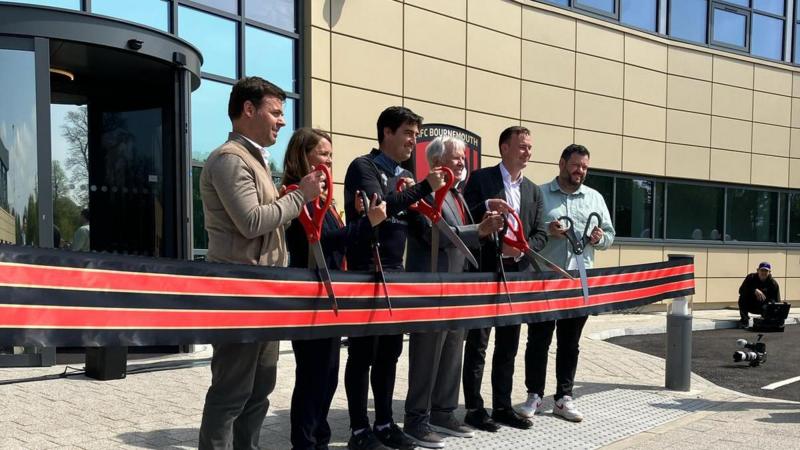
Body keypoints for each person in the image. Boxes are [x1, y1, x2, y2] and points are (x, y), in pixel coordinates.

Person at [198, 76, 325, 450]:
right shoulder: (229, 159)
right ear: (248, 110)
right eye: (276, 112)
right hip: (240, 292)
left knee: (259, 390)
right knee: (231, 392)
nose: (282, 121)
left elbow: (270, 220)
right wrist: (299, 196)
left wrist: (288, 202)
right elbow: (252, 221)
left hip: (263, 291)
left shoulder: (253, 159)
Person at [342, 106, 446, 450]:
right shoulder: (364, 167)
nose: (412, 142)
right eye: (408, 134)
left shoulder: (404, 174)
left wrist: (431, 219)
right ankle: (359, 431)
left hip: (396, 275)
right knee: (362, 355)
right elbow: (382, 206)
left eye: (416, 136)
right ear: (386, 132)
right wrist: (422, 188)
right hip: (366, 273)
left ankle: (385, 422)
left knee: (389, 354)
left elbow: (410, 217)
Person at [283, 128, 387, 450]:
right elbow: (320, 242)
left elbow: (337, 248)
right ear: (304, 155)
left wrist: (357, 219)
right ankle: (306, 442)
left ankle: (319, 439)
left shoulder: (324, 201)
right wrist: (365, 222)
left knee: (327, 376)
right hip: (309, 300)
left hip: (328, 301)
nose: (329, 160)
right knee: (313, 378)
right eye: (323, 154)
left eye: (331, 154)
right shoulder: (296, 195)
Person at [403, 136, 505, 448]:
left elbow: (467, 236)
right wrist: (479, 230)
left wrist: (485, 227)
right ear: (436, 161)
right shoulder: (427, 190)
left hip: (458, 286)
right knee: (427, 354)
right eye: (456, 157)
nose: (462, 163)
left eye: (463, 158)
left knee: (451, 353)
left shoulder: (458, 196)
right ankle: (416, 420)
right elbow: (434, 233)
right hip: (433, 287)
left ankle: (443, 412)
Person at [519, 144, 615, 423]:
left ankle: (563, 398)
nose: (580, 171)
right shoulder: (540, 194)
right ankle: (534, 396)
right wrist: (548, 232)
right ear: (562, 163)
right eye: (575, 165)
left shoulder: (594, 197)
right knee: (538, 340)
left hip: (578, 283)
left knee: (570, 343)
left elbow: (609, 235)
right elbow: (529, 235)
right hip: (546, 281)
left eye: (584, 167)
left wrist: (600, 238)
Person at [461, 126, 547, 432]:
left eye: (530, 147)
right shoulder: (480, 179)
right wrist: (485, 208)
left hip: (517, 272)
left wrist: (522, 248)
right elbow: (463, 215)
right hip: (486, 269)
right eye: (522, 146)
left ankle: (501, 405)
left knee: (509, 343)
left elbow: (540, 233)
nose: (528, 152)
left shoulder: (534, 191)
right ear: (504, 148)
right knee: (478, 342)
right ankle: (473, 407)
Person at [738, 262, 781, 328]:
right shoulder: (750, 278)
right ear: (758, 270)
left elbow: (777, 301)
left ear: (769, 272)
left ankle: (765, 321)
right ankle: (744, 321)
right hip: (750, 305)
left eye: (766, 271)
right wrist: (754, 290)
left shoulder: (773, 283)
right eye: (762, 270)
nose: (763, 273)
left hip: (763, 307)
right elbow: (741, 291)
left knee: (772, 306)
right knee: (742, 298)